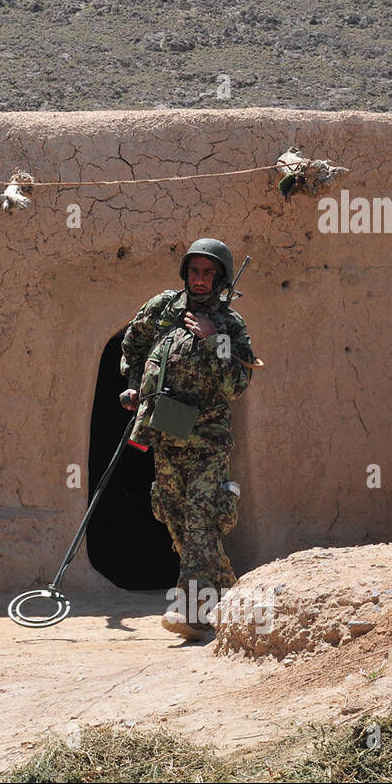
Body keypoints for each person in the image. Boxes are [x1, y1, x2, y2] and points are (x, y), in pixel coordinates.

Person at [119, 238, 257, 640]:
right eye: (194, 272)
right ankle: (230, 595)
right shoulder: (163, 309)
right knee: (177, 521)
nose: (199, 280)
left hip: (207, 443)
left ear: (221, 278)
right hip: (164, 435)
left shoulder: (231, 326)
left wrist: (214, 339)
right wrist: (132, 385)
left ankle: (192, 612)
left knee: (200, 522)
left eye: (208, 273)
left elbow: (236, 385)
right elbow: (133, 344)